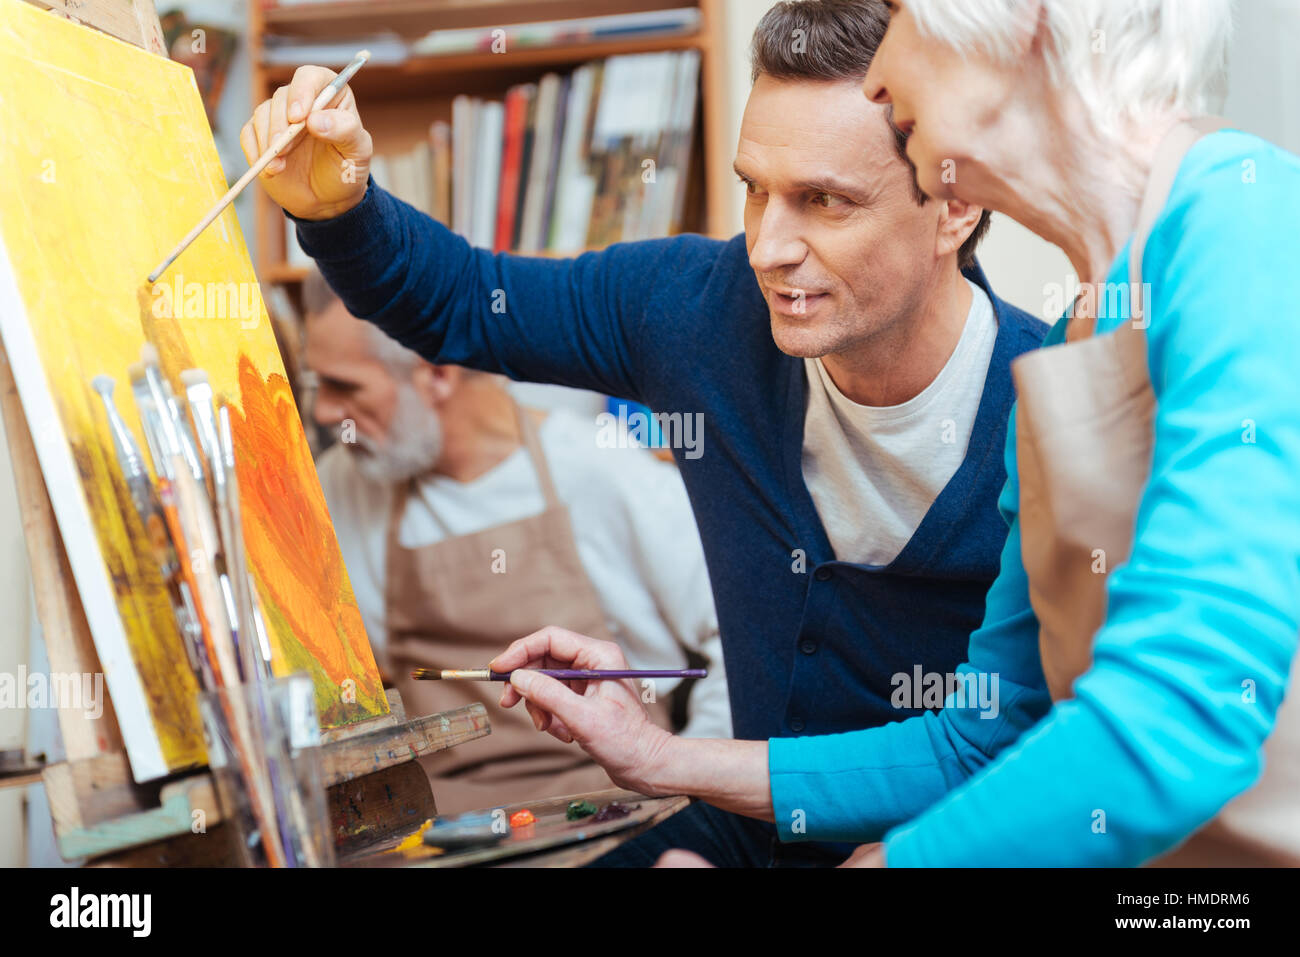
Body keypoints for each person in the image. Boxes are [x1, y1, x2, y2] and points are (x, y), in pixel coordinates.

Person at [493, 0, 1300, 867]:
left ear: (1022, 21)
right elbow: (983, 739)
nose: (874, 74)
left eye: (905, 12)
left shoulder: (1243, 220)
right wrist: (661, 757)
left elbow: (1180, 710)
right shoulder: (1080, 334)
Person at [242, 0, 1046, 864]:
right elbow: (464, 299)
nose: (769, 246)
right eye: (754, 190)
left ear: (954, 207)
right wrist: (337, 207)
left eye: (824, 201)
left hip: (957, 832)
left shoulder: (1049, 411)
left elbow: (1032, 755)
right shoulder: (700, 310)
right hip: (750, 815)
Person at [301, 268, 730, 814]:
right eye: (319, 386)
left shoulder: (601, 469)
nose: (323, 414)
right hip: (440, 830)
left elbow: (739, 643)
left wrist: (691, 788)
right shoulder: (345, 481)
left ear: (437, 372)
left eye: (344, 386)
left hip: (609, 814)